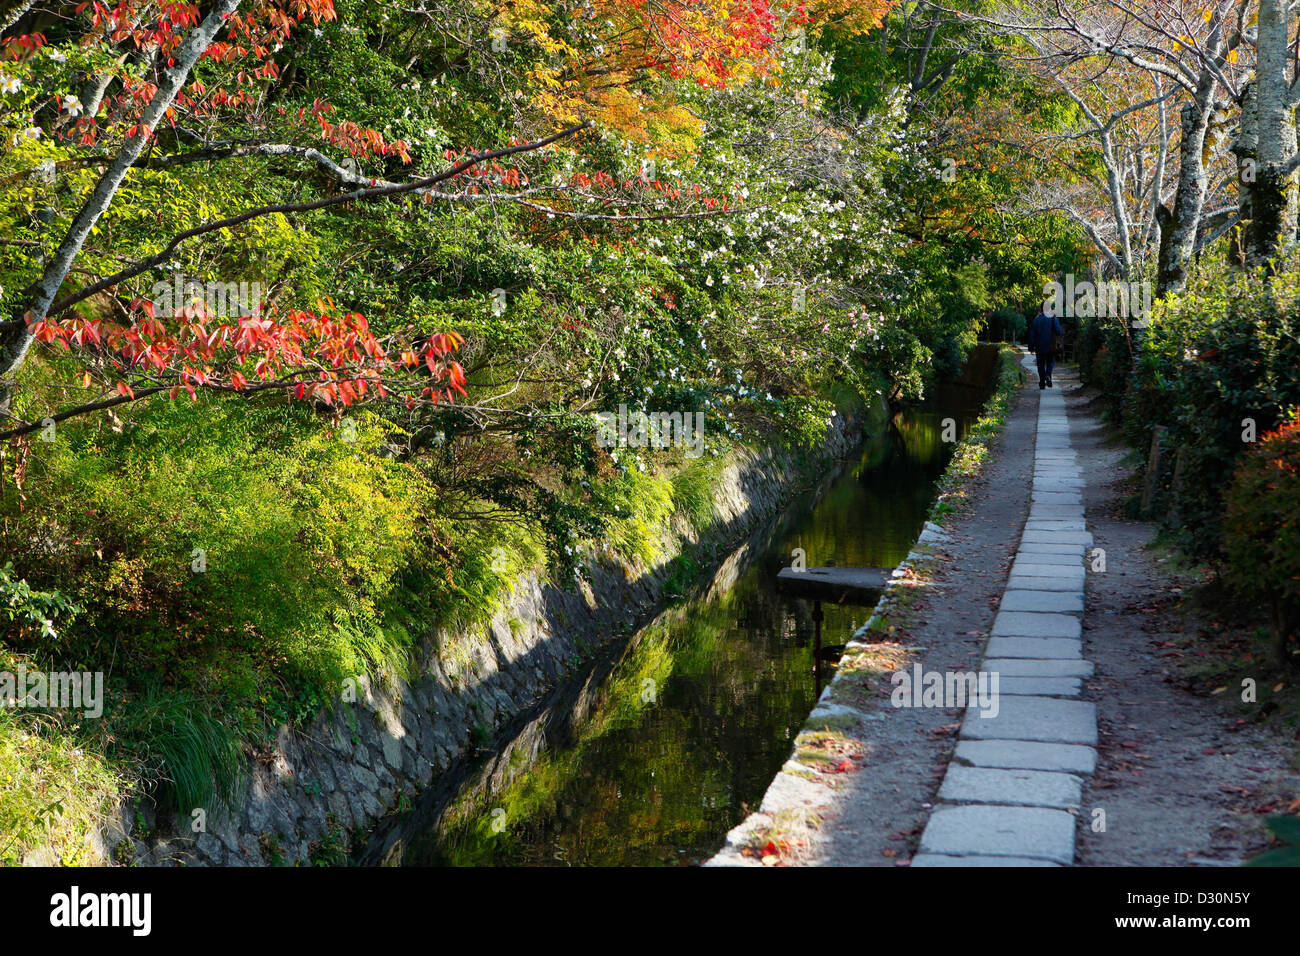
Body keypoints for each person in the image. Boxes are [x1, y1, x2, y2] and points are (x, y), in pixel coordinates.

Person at [1027, 302, 1063, 389]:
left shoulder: (1036, 320)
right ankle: (1048, 375)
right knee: (1050, 362)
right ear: (1050, 308)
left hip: (1039, 346)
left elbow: (1032, 335)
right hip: (1051, 345)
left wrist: (1031, 347)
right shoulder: (1053, 318)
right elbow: (1059, 331)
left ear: (1041, 309)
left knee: (1040, 364)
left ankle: (1042, 383)